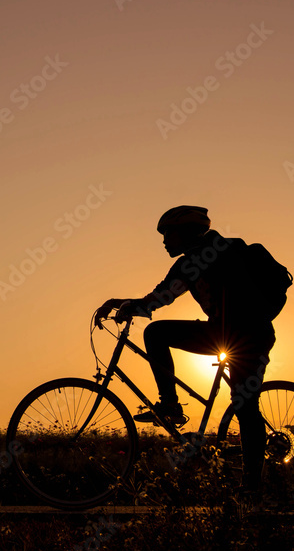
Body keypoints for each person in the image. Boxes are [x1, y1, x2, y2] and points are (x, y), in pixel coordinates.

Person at [94, 205, 275, 493]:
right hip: (224, 333)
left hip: (248, 336)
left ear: (187, 232)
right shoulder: (199, 257)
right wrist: (123, 303)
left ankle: (251, 486)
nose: (165, 241)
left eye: (168, 233)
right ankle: (170, 407)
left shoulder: (210, 255)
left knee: (245, 405)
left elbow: (162, 297)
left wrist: (127, 305)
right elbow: (161, 296)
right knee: (157, 333)